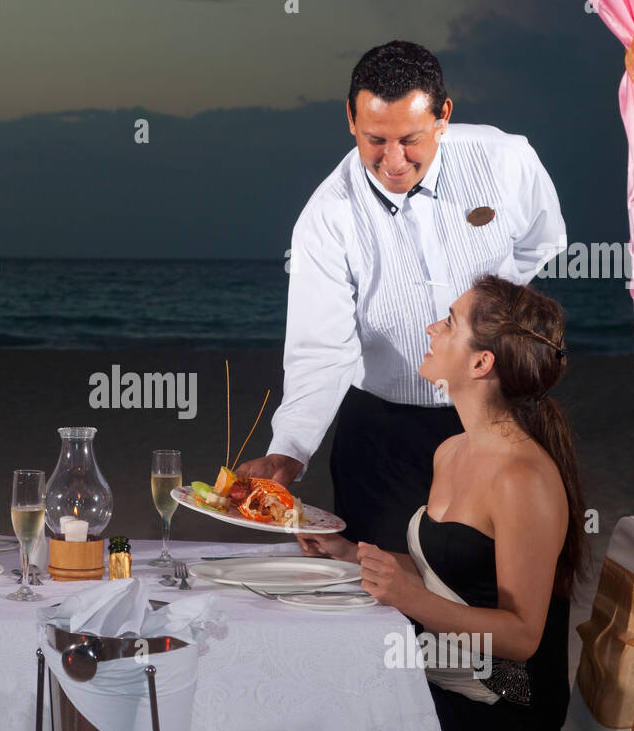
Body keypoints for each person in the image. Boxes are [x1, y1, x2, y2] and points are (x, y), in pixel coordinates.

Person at [239, 40, 566, 552]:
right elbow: (322, 352)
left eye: (410, 139)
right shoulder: (326, 219)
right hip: (385, 434)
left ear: (443, 117)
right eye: (374, 139)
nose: (392, 161)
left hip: (500, 415)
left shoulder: (505, 160)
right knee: (385, 597)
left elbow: (543, 241)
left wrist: (490, 319)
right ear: (350, 118)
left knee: (504, 580)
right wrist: (290, 452)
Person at [298, 276, 585, 731]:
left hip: (503, 714)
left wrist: (410, 599)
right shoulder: (451, 451)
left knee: (324, 714)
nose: (431, 328)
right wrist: (347, 552)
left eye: (449, 323)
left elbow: (522, 638)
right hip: (448, 672)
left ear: (481, 363)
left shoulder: (524, 478)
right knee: (315, 676)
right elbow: (446, 569)